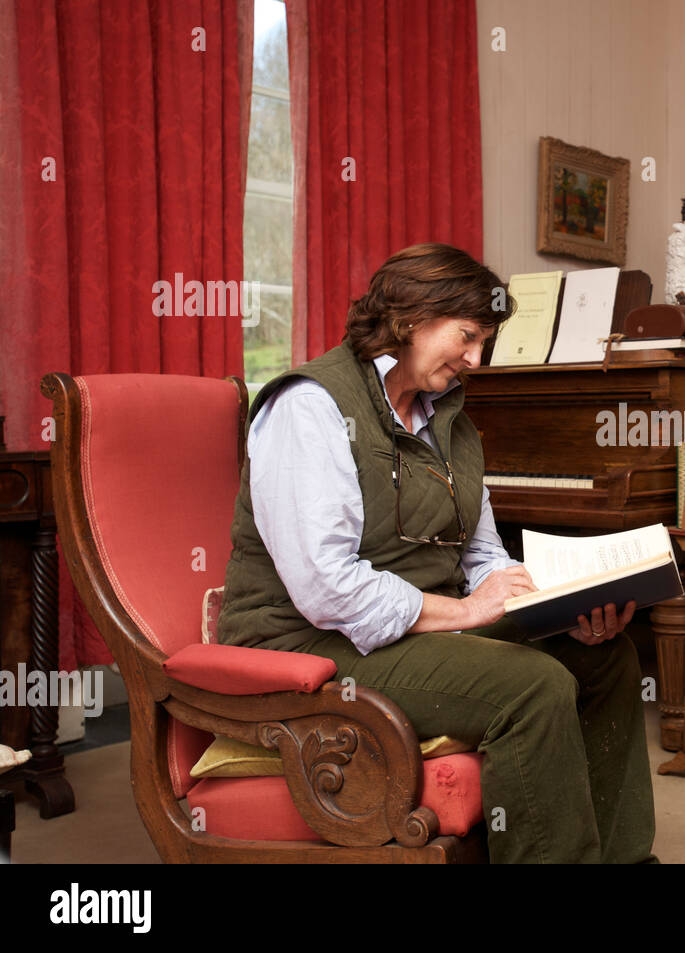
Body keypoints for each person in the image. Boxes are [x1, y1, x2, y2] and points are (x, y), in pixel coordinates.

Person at [217, 243, 656, 864]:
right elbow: (326, 589)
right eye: (469, 336)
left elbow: (481, 554)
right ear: (412, 318)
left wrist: (552, 604)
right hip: (303, 643)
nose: (475, 359)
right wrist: (470, 613)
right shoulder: (309, 407)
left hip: (414, 629)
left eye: (483, 343)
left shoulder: (449, 421)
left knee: (606, 656)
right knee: (533, 686)